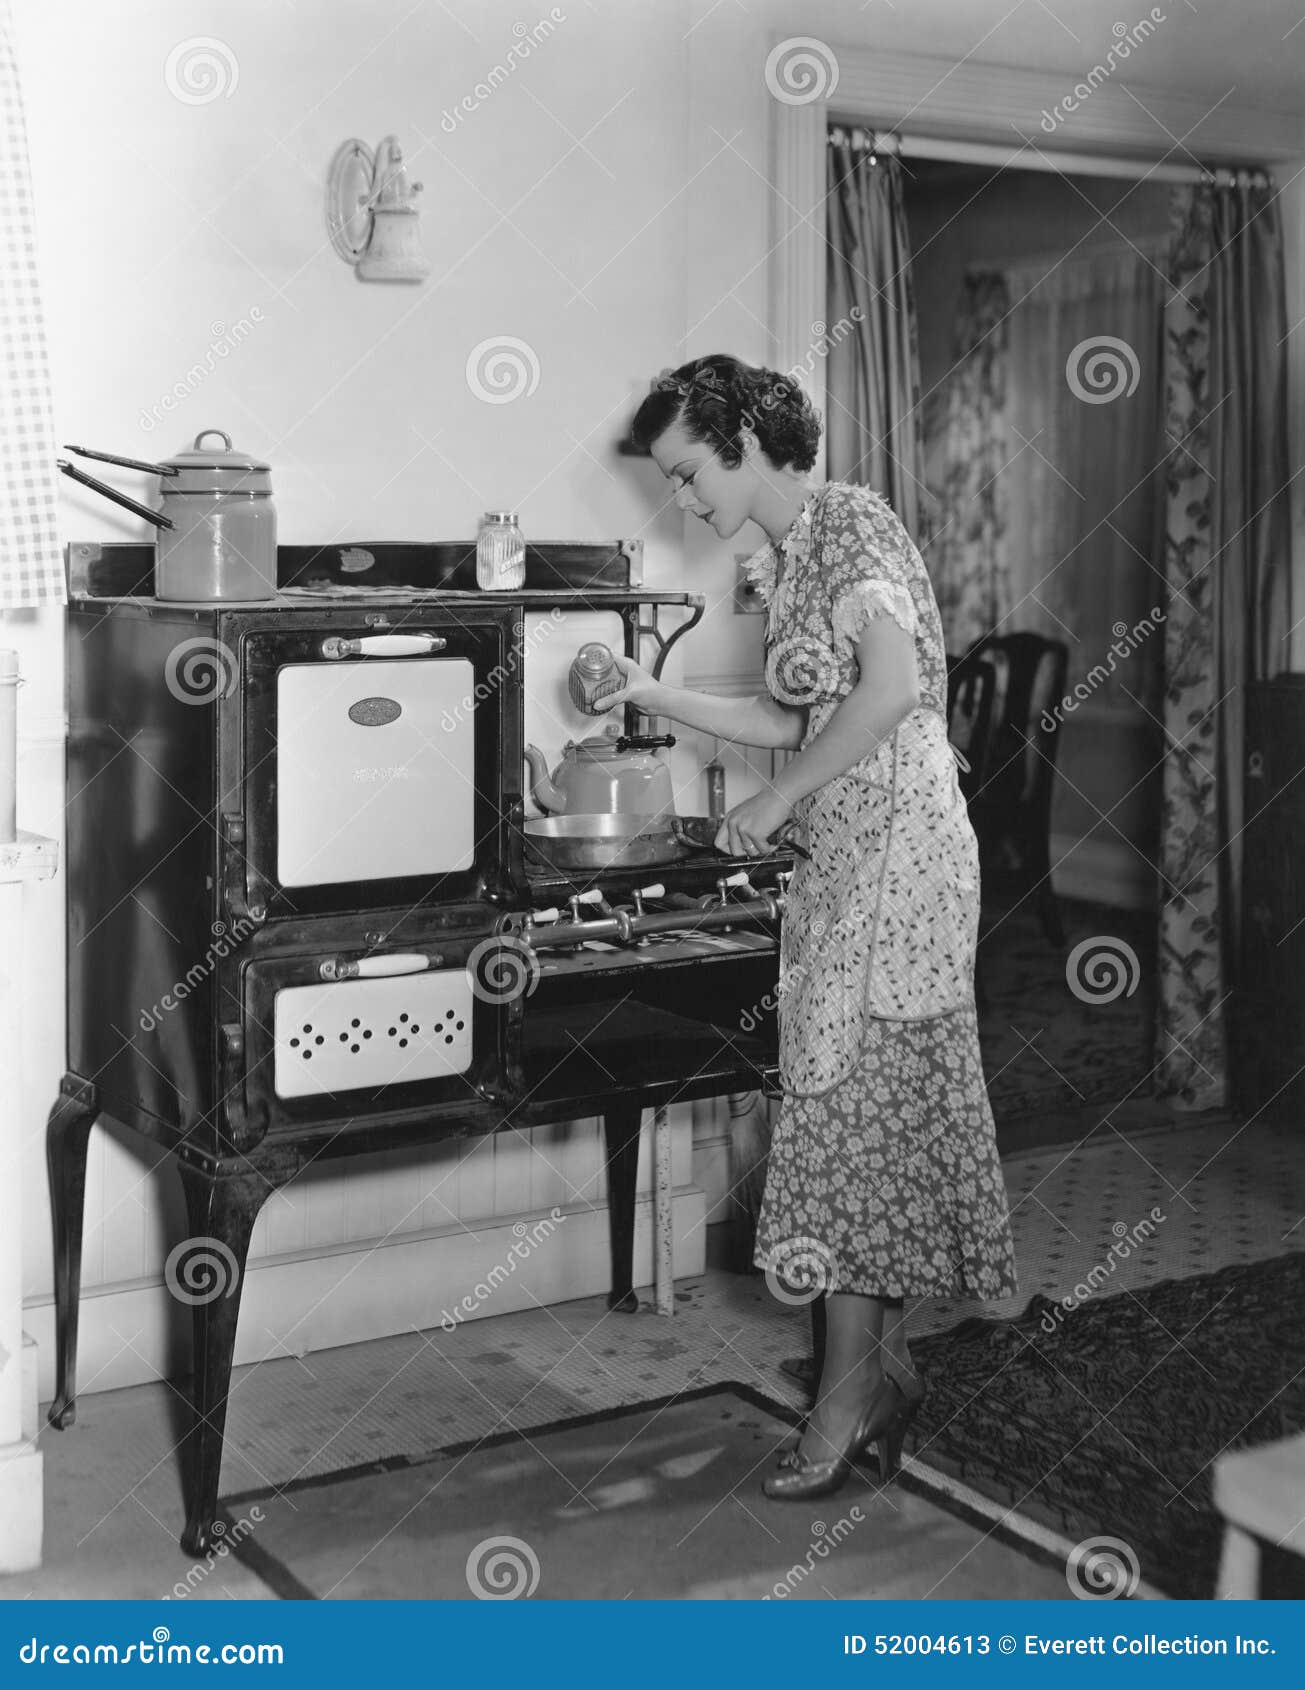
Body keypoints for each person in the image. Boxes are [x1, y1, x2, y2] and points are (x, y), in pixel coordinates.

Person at [603, 354, 1019, 1502]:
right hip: (850, 860)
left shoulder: (852, 526)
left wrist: (778, 799)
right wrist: (649, 694)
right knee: (850, 1115)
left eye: (689, 474)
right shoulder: (795, 561)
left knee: (853, 1118)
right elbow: (789, 714)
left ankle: (847, 1401)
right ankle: (876, 1371)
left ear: (742, 442)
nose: (684, 500)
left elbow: (888, 691)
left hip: (900, 864)